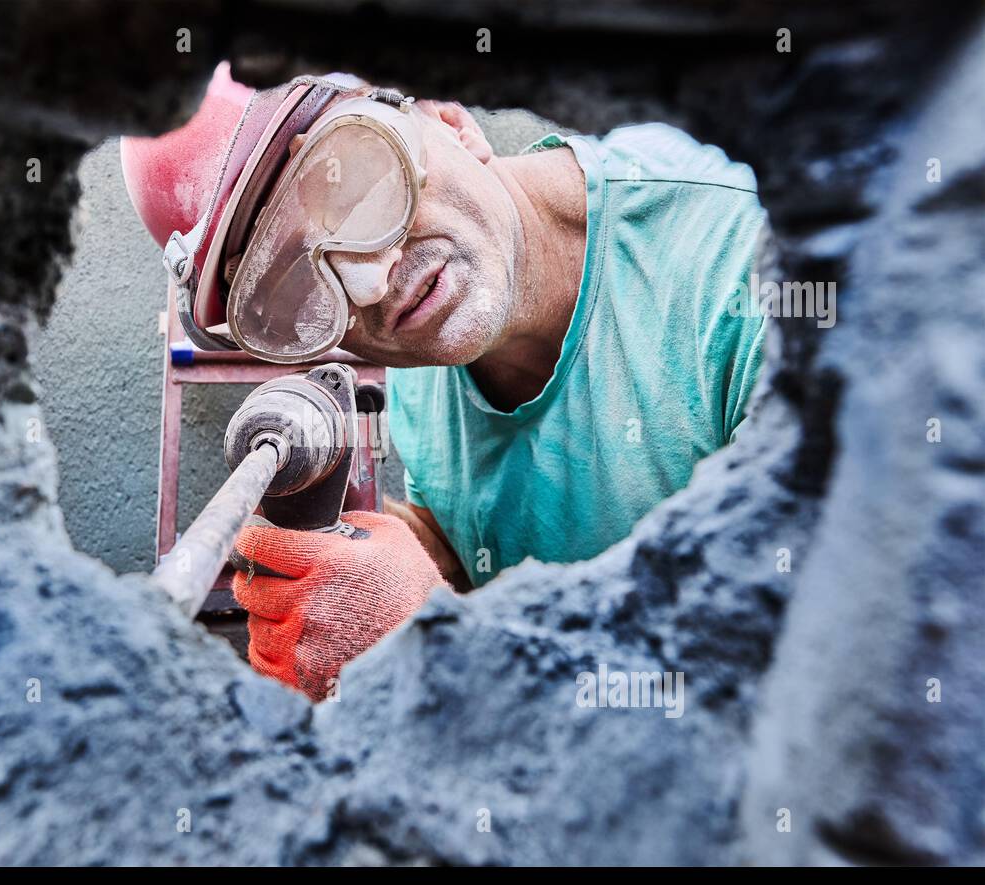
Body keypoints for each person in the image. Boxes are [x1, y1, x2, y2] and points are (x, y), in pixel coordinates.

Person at [122, 64, 769, 701]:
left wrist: (454, 660)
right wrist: (391, 559)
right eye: (293, 287)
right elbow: (483, 535)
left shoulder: (753, 271)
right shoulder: (431, 360)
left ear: (448, 119)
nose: (369, 288)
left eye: (354, 186)